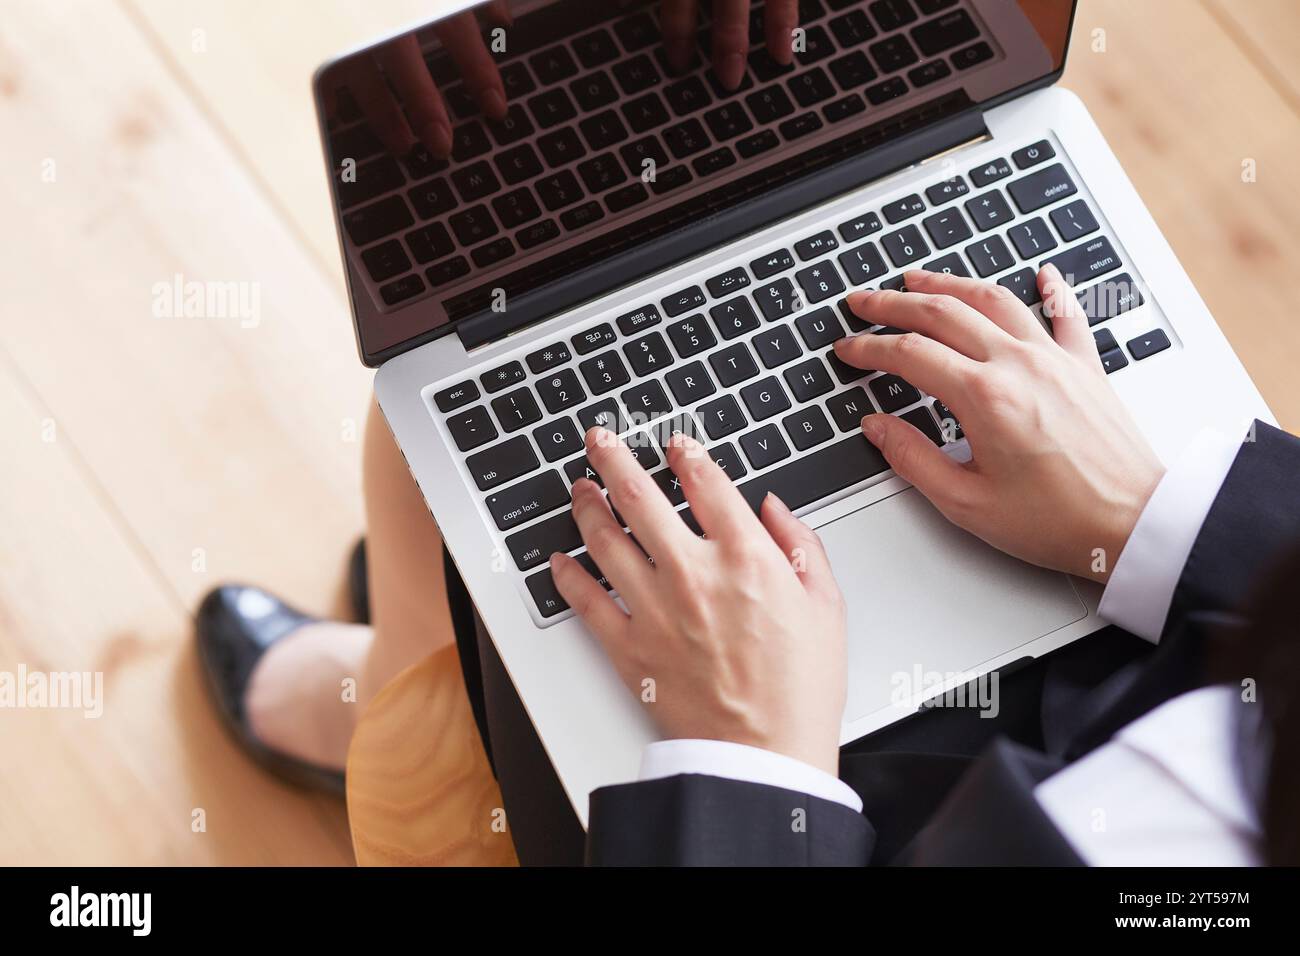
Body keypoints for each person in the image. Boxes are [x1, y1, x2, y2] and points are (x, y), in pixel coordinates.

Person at [198, 263, 1299, 865]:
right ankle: (415, 658)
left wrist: (754, 766)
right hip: (1182, 637)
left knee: (466, 443)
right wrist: (1157, 517)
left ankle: (391, 694)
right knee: (523, 340)